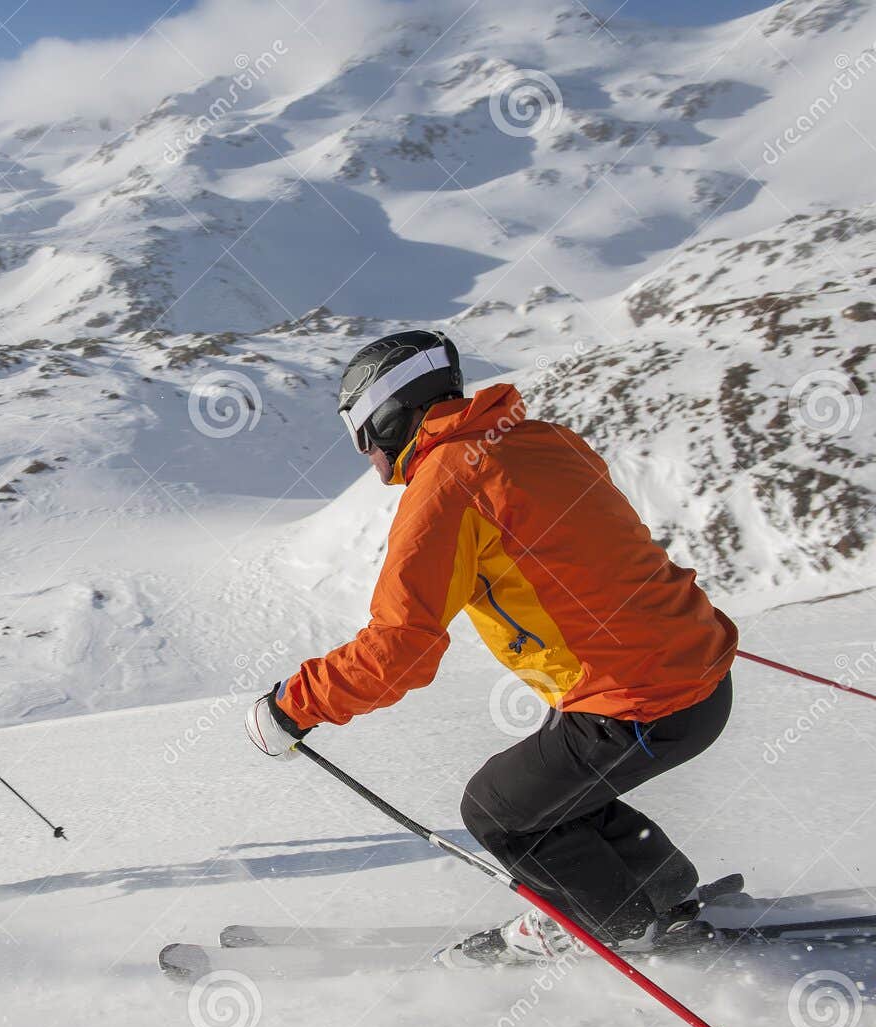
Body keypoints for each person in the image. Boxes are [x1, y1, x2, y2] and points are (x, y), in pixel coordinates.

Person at [243, 330, 737, 965]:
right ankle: (659, 894)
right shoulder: (543, 441)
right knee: (551, 789)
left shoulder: (446, 487)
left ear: (392, 415)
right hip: (698, 677)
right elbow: (602, 552)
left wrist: (293, 705)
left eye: (362, 433)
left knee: (498, 809)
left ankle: (615, 926)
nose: (365, 454)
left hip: (639, 705)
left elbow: (402, 647)